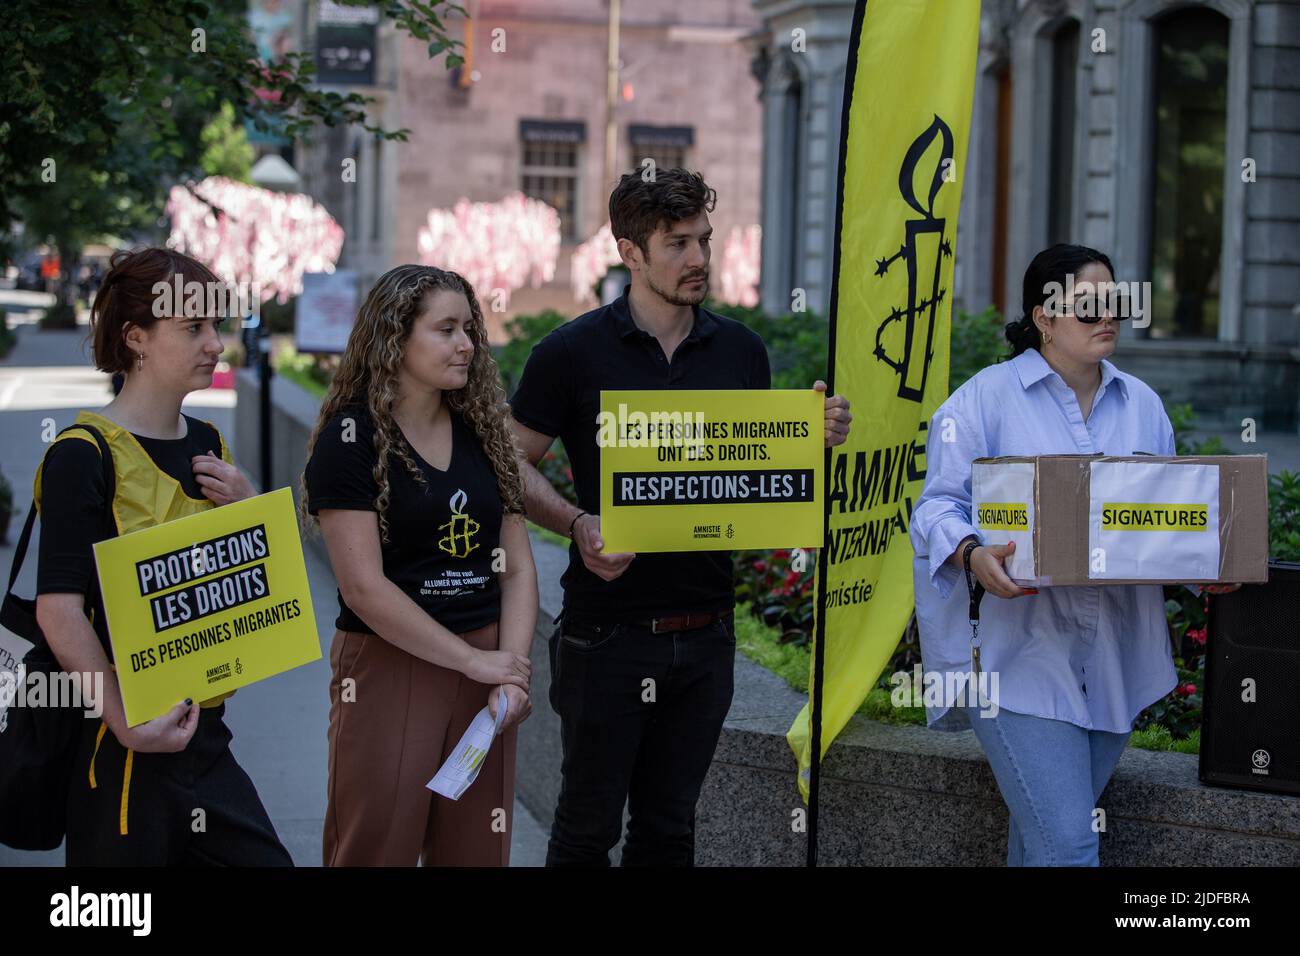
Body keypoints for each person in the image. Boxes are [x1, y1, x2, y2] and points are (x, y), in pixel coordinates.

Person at [508, 168, 852, 866]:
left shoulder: (741, 350)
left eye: (705, 240)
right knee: (585, 830)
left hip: (705, 635)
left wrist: (812, 437)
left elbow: (752, 478)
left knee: (669, 831)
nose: (699, 259)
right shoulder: (570, 352)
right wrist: (577, 523)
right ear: (630, 253)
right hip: (606, 635)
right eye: (677, 244)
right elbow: (507, 464)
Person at [910, 243, 1240, 867]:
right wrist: (973, 551)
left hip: (1117, 659)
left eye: (1113, 303)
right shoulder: (983, 400)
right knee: (1068, 846)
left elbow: (1167, 522)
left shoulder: (1143, 405)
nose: (1107, 317)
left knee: (1040, 840)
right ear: (1044, 317)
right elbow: (934, 508)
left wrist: (1207, 573)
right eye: (1088, 307)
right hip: (1018, 665)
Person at [34, 247, 292, 865]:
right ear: (137, 339)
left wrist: (252, 507)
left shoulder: (209, 442)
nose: (217, 344)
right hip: (121, 748)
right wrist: (125, 721)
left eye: (217, 327)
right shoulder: (81, 453)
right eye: (194, 327)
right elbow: (58, 610)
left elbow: (254, 587)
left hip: (207, 738)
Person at [302, 265, 536, 867]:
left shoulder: (483, 433)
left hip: (485, 664)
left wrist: (509, 670)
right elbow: (362, 587)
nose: (466, 344)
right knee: (376, 846)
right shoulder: (351, 439)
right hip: (390, 663)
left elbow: (515, 566)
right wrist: (472, 661)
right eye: (446, 329)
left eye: (469, 330)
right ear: (395, 338)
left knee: (478, 852)